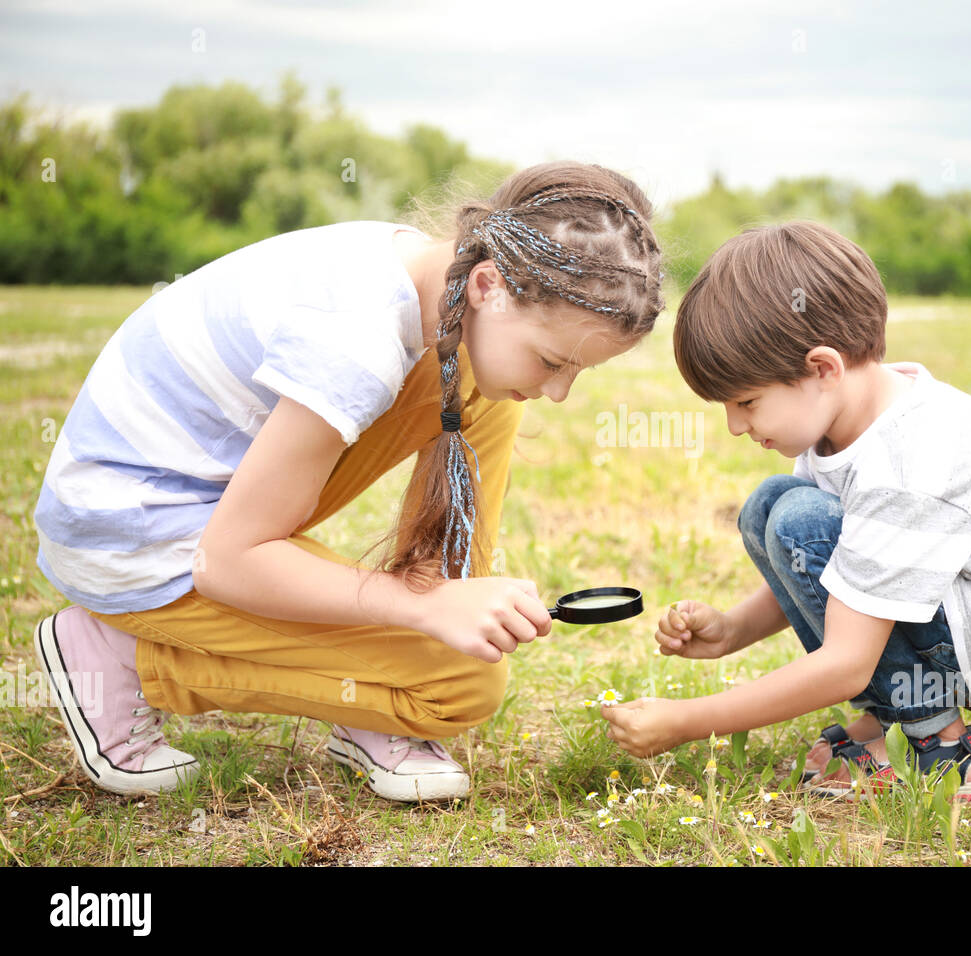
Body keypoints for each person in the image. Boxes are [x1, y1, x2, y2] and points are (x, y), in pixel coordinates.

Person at [32, 162, 664, 802]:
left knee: (490, 390)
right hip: (136, 541)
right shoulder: (355, 341)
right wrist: (421, 609)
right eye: (554, 361)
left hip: (208, 503)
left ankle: (413, 634)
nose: (558, 392)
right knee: (460, 687)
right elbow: (226, 561)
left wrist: (442, 598)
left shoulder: (419, 275)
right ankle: (115, 654)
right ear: (487, 285)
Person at [602, 221, 971, 800]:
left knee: (797, 521)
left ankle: (939, 745)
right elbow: (837, 566)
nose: (736, 426)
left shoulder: (908, 461)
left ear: (822, 368)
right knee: (771, 507)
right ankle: (892, 719)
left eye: (747, 402)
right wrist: (735, 629)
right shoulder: (844, 423)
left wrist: (688, 721)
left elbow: (845, 660)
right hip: (970, 613)